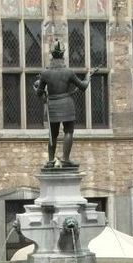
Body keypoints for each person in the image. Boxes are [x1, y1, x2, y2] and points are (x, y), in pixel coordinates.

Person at [33, 40, 94, 168]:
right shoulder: (69, 72)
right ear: (62, 54)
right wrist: (87, 79)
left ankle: (51, 160)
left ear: (52, 54)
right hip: (66, 104)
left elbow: (39, 94)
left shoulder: (45, 73)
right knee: (69, 131)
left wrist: (36, 88)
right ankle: (65, 159)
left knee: (53, 135)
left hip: (53, 105)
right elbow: (83, 86)